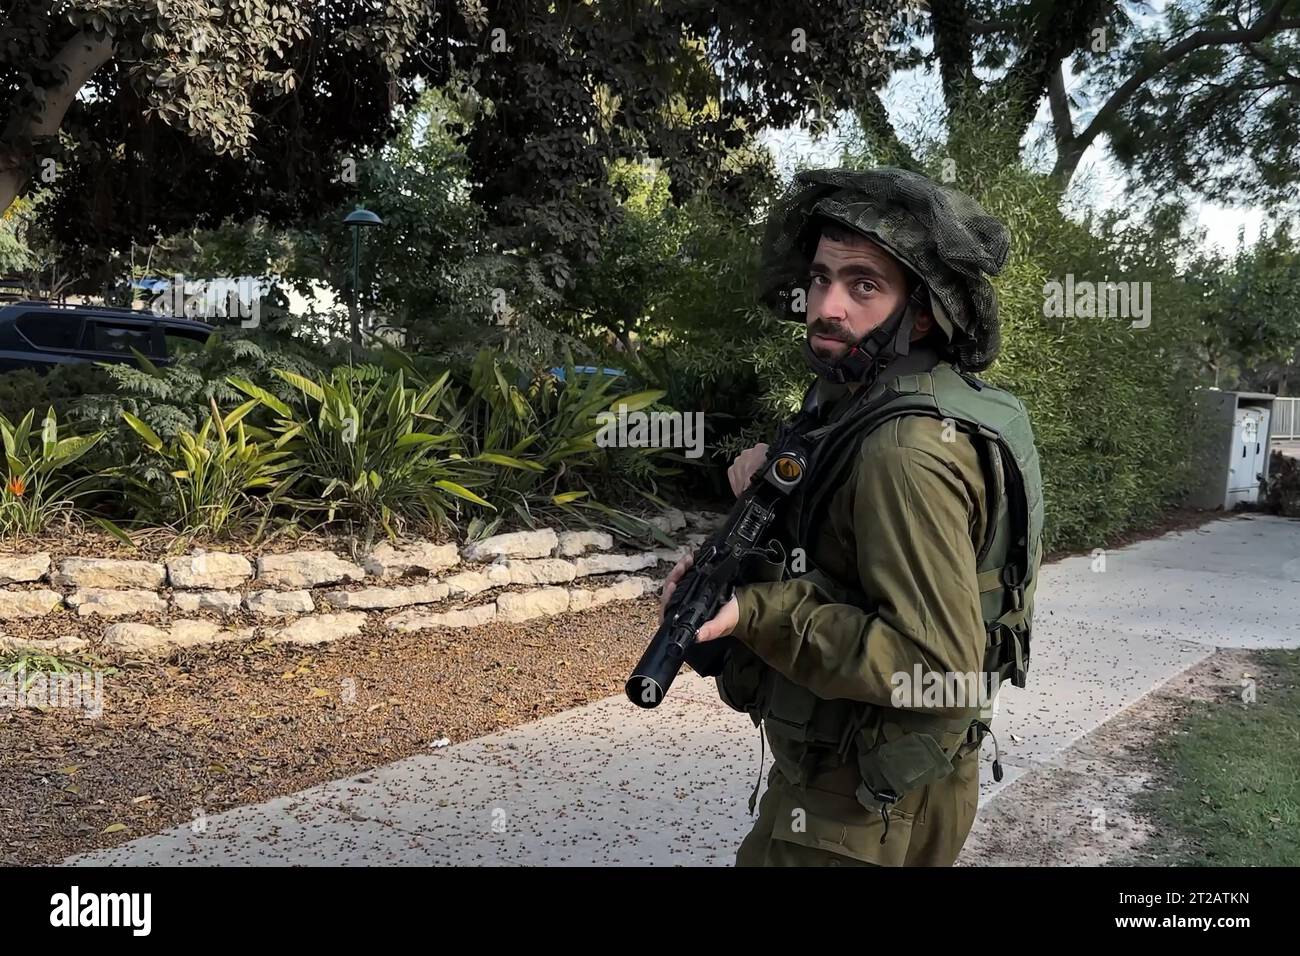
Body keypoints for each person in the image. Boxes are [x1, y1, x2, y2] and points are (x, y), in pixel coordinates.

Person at [658, 167, 1045, 866]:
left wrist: (757, 614)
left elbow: (937, 667)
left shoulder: (905, 450)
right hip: (882, 779)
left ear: (923, 312)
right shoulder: (903, 398)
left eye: (864, 285)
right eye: (820, 279)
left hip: (858, 806)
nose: (827, 305)